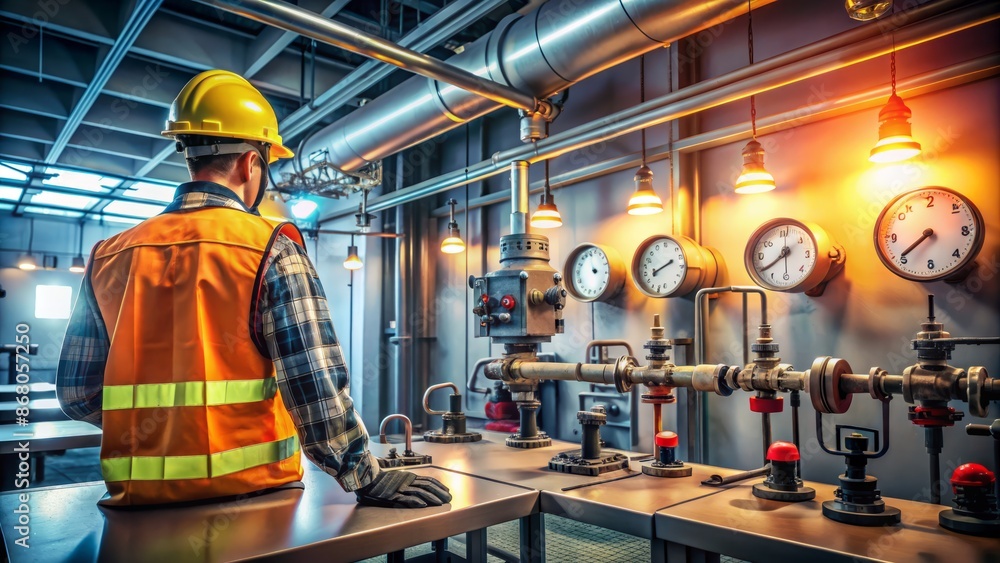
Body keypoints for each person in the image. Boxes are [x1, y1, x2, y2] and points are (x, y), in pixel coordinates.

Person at [56, 69, 451, 509]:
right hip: (254, 503)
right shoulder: (270, 246)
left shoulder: (111, 254)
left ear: (189, 155)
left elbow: (78, 395)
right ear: (251, 162)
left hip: (135, 508)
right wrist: (365, 475)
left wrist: (158, 433)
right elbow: (313, 383)